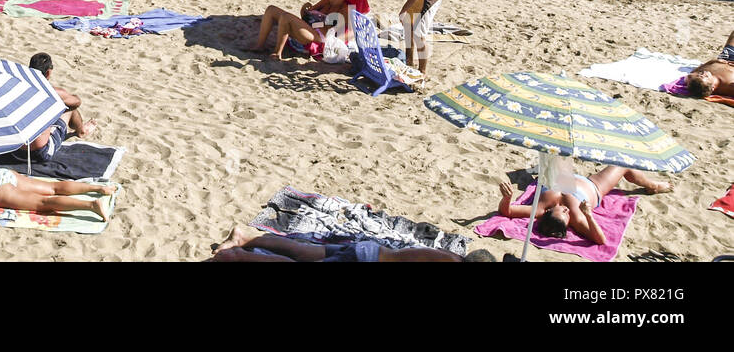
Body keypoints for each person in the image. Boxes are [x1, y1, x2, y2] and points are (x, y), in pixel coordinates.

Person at [497, 167, 672, 244]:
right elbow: (600, 240)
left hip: (562, 177)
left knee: (554, 147)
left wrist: (507, 197)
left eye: (563, 212)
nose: (566, 211)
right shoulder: (577, 217)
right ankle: (653, 186)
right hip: (593, 185)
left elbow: (508, 211)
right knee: (622, 167)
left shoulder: (541, 207)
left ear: (549, 211)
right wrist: (588, 215)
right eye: (567, 216)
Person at [209, 225, 471, 262]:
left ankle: (246, 238)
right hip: (365, 260)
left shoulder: (452, 256)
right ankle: (237, 257)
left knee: (305, 251)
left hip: (369, 249)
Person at [250, 0, 370, 60]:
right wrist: (305, 10)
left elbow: (338, 32)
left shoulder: (345, 10)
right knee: (271, 10)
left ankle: (277, 53)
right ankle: (259, 45)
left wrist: (319, 22)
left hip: (320, 37)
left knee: (286, 17)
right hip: (309, 27)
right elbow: (305, 15)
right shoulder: (325, 1)